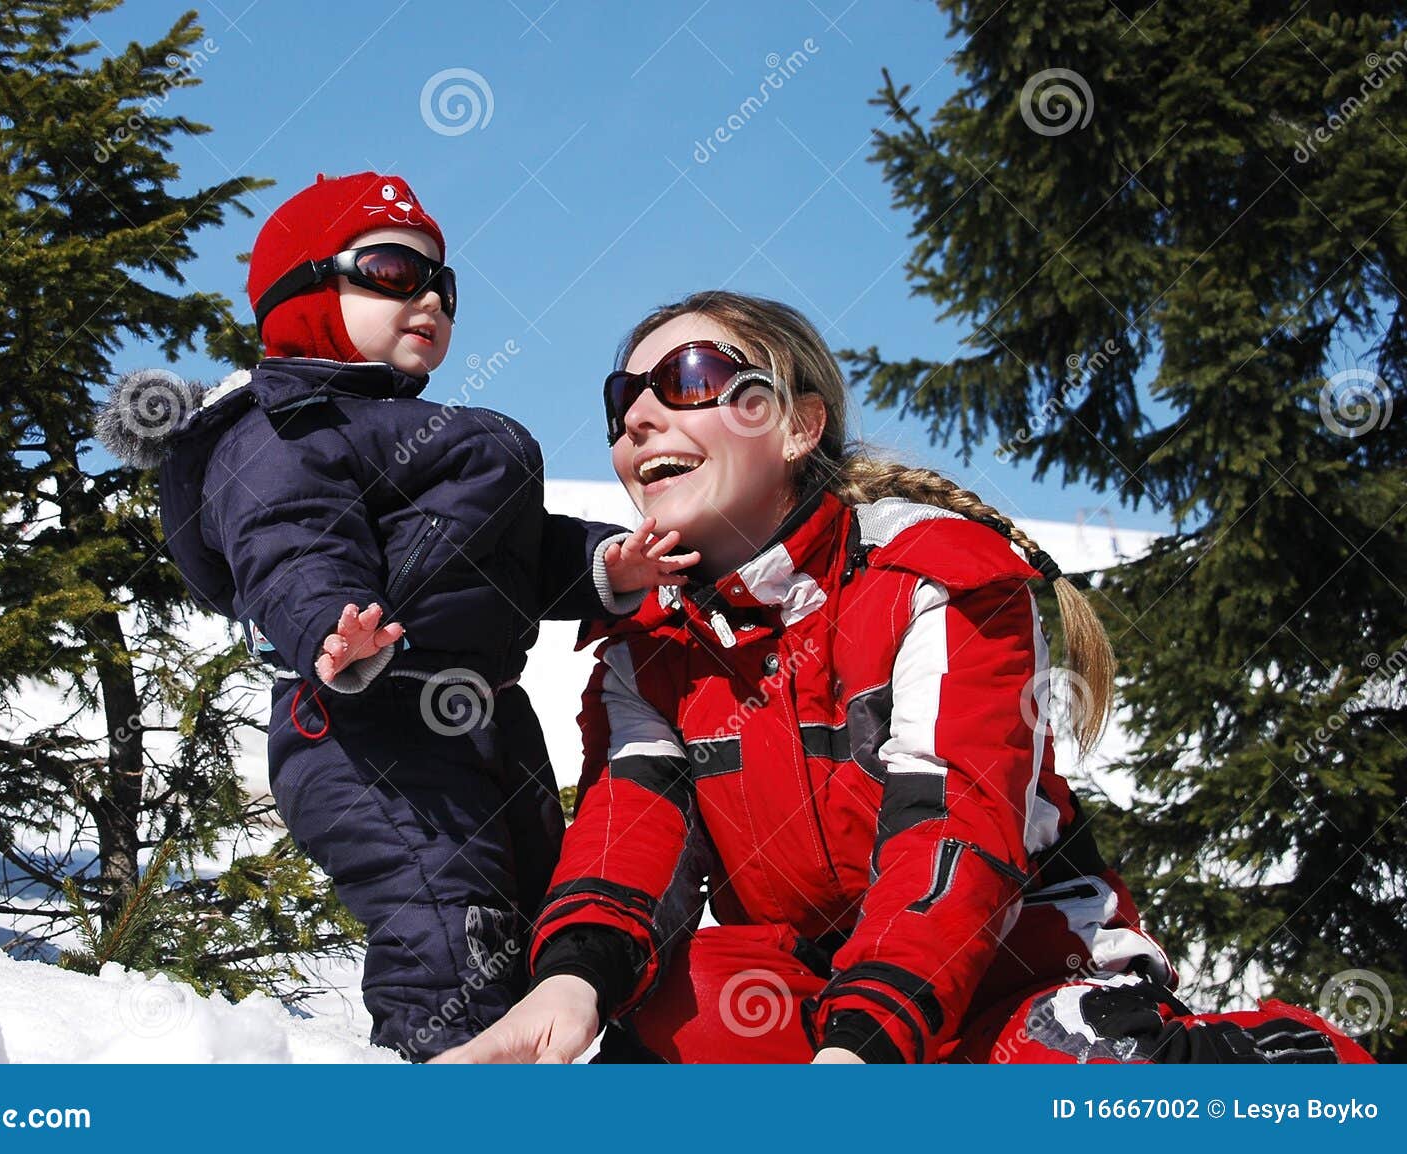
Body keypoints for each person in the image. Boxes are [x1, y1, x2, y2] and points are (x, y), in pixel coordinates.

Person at [433, 290, 1371, 1064]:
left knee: (1051, 1063)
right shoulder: (653, 641)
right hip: (818, 984)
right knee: (678, 1021)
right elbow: (631, 830)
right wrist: (569, 986)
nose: (640, 416)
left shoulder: (933, 577)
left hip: (1021, 966)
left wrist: (863, 1050)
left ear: (798, 425)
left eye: (690, 379)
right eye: (621, 399)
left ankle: (1272, 1068)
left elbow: (952, 831)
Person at [96, 172, 695, 1060]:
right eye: (388, 270)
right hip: (365, 728)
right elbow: (289, 543)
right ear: (301, 291)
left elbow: (506, 555)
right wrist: (331, 629)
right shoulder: (279, 432)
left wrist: (610, 565)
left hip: (484, 724)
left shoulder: (403, 432)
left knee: (538, 931)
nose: (427, 298)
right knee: (453, 935)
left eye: (440, 284)